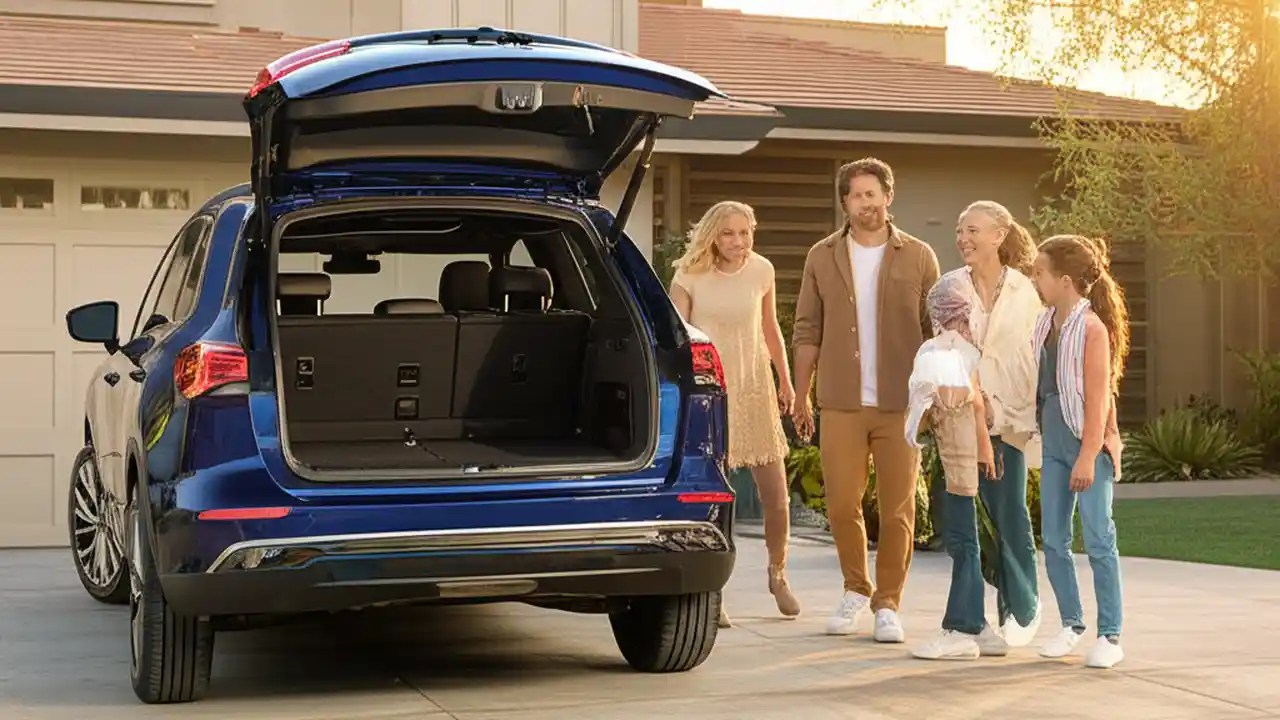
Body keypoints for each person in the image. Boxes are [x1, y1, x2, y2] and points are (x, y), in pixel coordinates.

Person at [792, 158, 940, 643]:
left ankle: (888, 604)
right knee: (841, 503)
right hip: (841, 400)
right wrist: (800, 392)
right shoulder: (821, 256)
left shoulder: (919, 256)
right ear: (844, 202)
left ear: (888, 197)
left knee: (898, 509)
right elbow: (807, 329)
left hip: (900, 401)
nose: (865, 203)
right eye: (856, 195)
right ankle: (856, 587)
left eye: (872, 194)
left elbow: (932, 332)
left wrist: (934, 393)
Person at [909, 201, 1044, 661]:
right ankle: (963, 626)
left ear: (999, 235)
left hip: (1012, 419)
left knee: (1010, 521)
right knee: (964, 526)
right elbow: (953, 361)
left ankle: (1017, 611)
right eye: (959, 230)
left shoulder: (1026, 290)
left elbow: (1033, 355)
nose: (963, 238)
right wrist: (981, 433)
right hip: (962, 418)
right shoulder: (949, 290)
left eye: (973, 230)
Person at [669, 200, 800, 627]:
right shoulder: (689, 274)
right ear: (712, 235)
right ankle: (713, 590)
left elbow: (770, 328)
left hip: (755, 388)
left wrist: (786, 380)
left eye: (745, 233)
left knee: (776, 497)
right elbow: (678, 339)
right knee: (714, 501)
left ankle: (777, 573)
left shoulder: (762, 270)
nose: (738, 242)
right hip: (712, 396)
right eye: (729, 233)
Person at [1029, 234, 1130, 669]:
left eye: (1039, 272)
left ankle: (1110, 634)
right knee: (1052, 539)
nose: (1034, 278)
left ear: (1064, 280)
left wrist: (1089, 455)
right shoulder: (1044, 323)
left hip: (1087, 443)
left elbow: (1098, 398)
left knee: (1098, 538)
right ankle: (1071, 623)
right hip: (1053, 445)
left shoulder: (1091, 328)